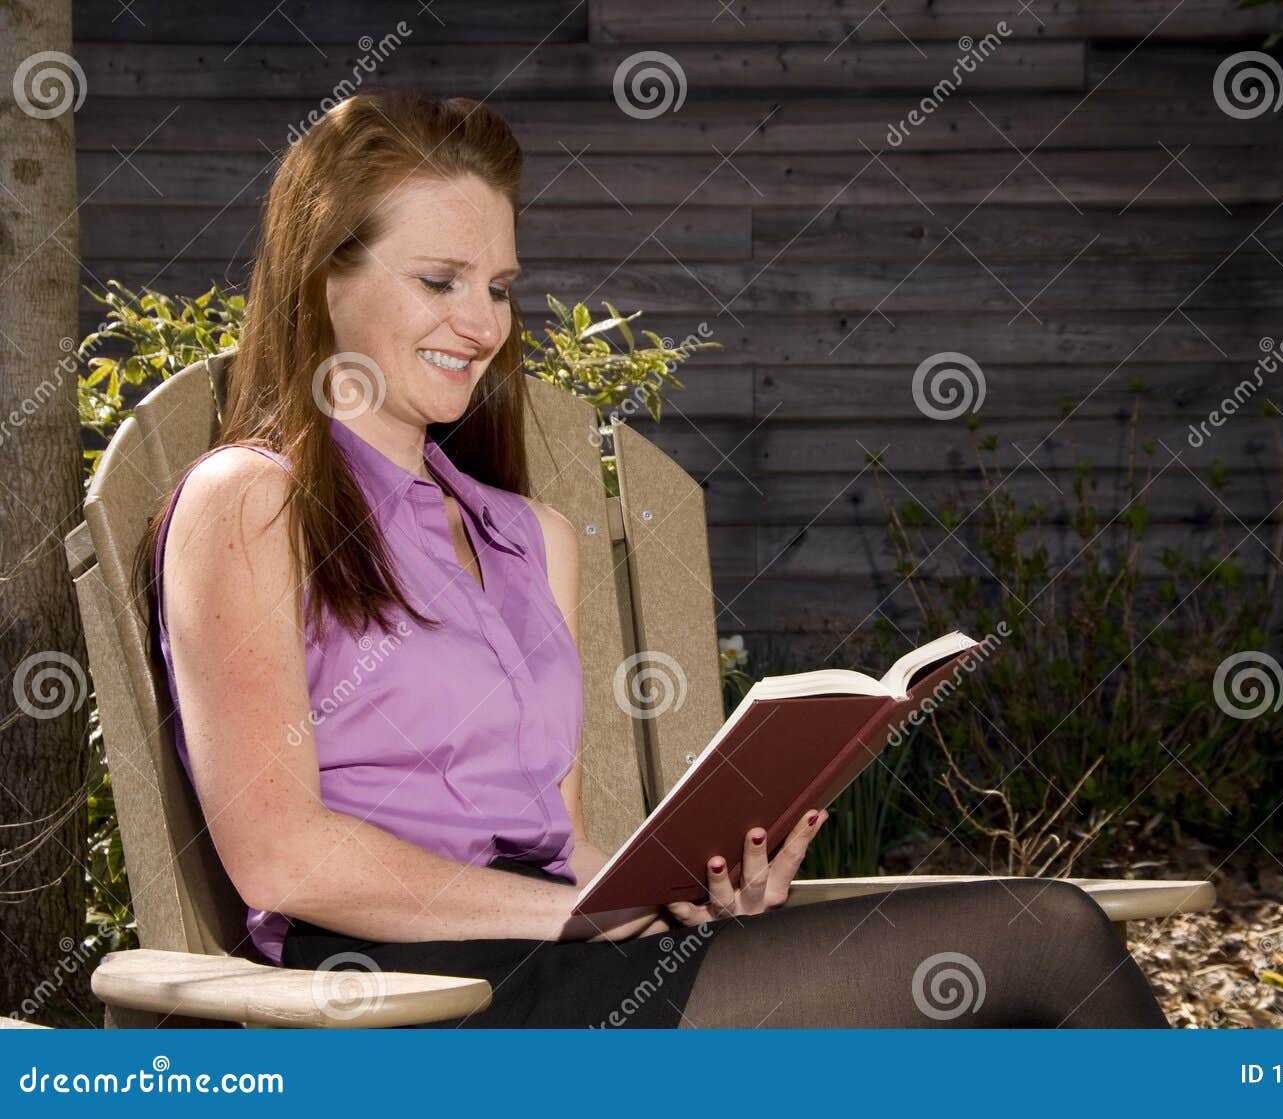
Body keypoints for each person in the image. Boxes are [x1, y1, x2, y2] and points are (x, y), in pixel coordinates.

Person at [138, 89, 1170, 1028]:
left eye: (498, 285)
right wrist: (569, 915)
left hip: (560, 960)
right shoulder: (251, 503)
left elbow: (560, 840)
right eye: (440, 280)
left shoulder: (529, 539)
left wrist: (689, 886)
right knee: (1044, 936)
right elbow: (279, 851)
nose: (482, 322)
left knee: (998, 1014)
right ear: (325, 278)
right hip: (396, 1001)